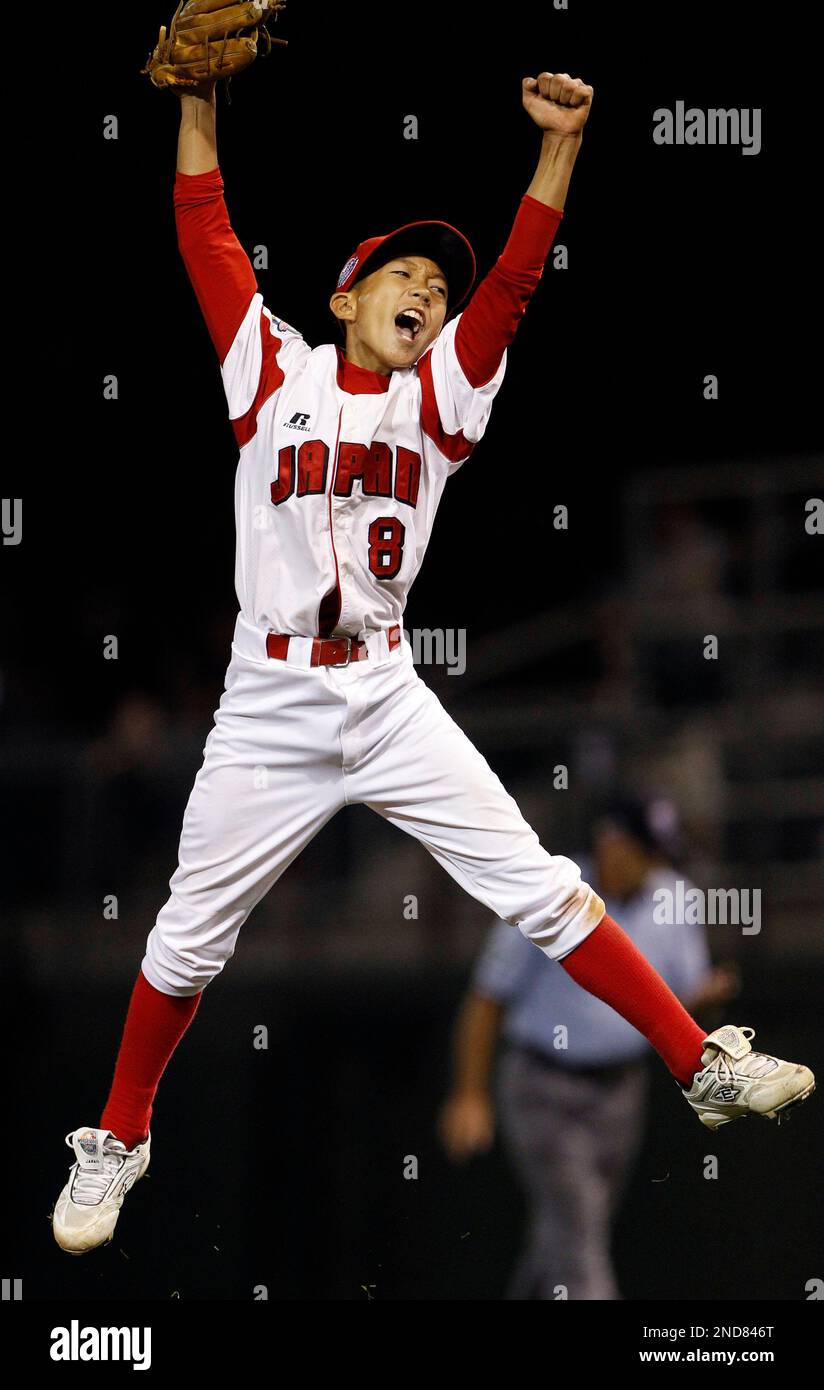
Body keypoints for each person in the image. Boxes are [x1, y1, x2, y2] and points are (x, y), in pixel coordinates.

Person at [51, 69, 814, 1257]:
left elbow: (511, 281)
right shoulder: (274, 372)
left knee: (541, 882)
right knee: (185, 938)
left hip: (385, 686)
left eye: (435, 283)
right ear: (344, 294)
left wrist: (558, 150)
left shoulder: (441, 399)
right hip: (268, 698)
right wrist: (196, 103)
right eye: (404, 273)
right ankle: (118, 1137)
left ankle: (696, 1061)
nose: (427, 288)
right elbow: (203, 227)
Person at [438, 796, 740, 1299]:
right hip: (543, 1087)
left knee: (567, 1232)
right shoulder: (550, 889)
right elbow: (486, 997)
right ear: (609, 840)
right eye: (640, 849)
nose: (649, 863)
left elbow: (681, 1001)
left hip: (620, 1091)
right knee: (578, 1230)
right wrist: (469, 1093)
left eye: (656, 853)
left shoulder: (673, 895)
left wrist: (706, 1000)